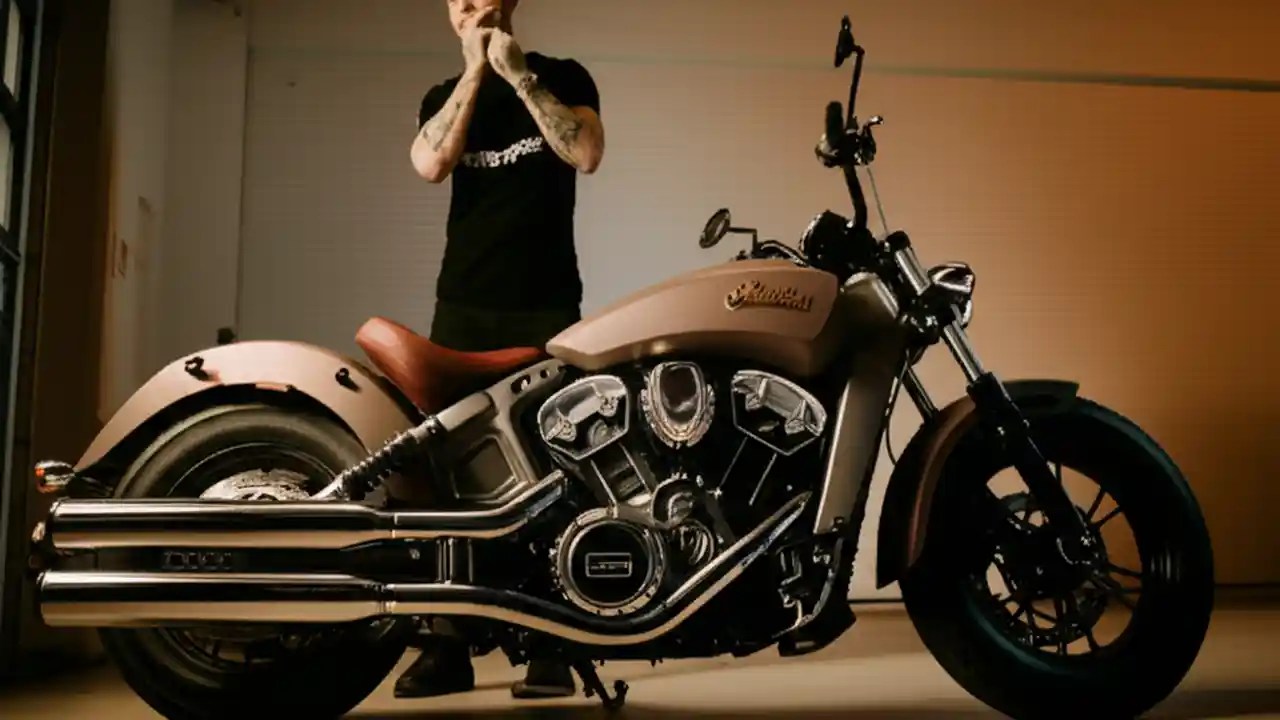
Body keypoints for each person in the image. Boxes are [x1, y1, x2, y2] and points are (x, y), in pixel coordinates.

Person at [395, 0, 605, 702]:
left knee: (551, 474)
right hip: (461, 312)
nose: (468, 8)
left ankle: (548, 649)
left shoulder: (564, 75)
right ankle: (446, 647)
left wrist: (519, 79)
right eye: (456, 0)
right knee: (451, 481)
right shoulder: (442, 96)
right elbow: (430, 164)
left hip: (545, 310)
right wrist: (474, 77)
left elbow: (586, 152)